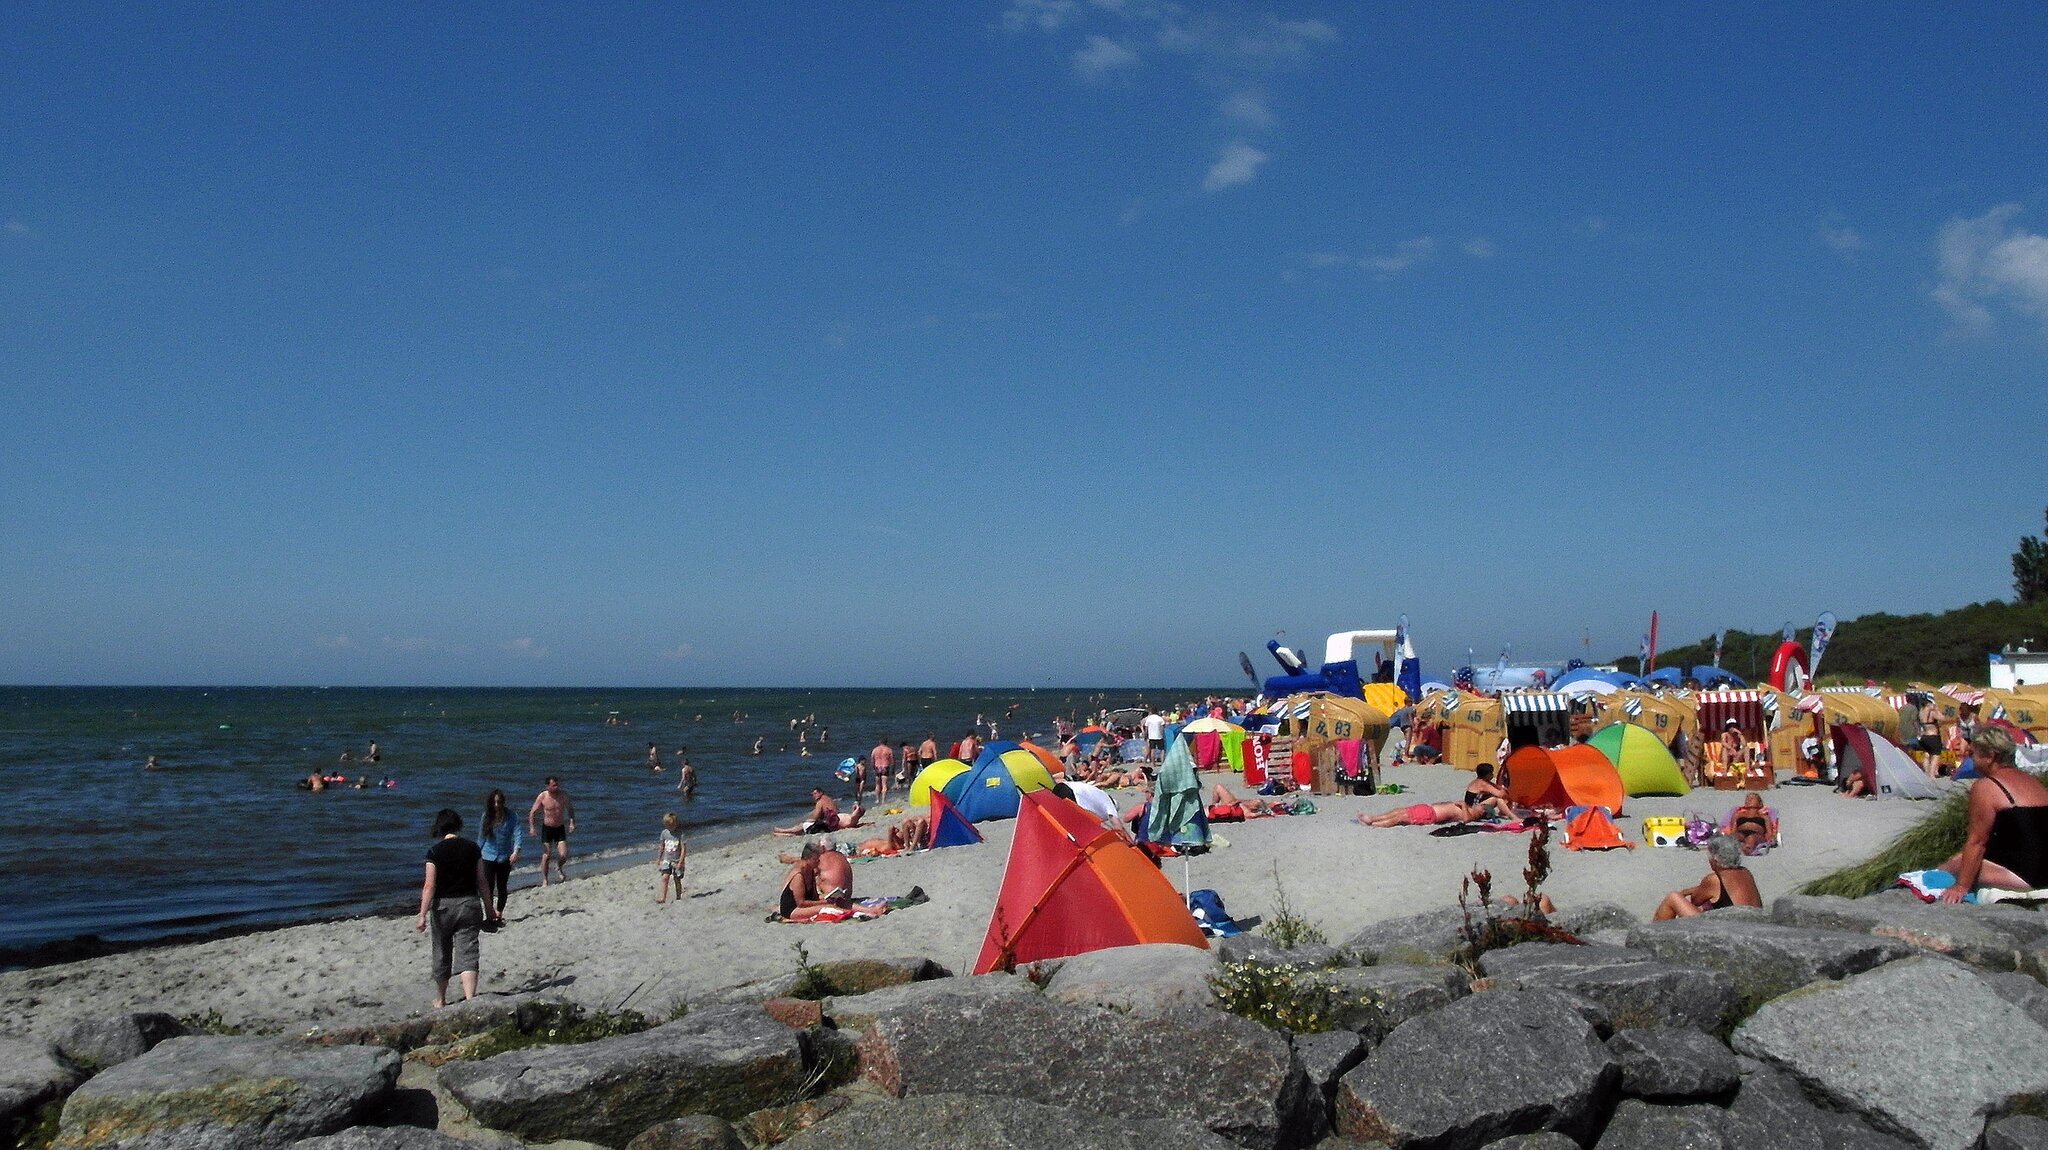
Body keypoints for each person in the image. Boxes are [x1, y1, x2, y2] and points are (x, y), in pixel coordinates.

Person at [1937, 726, 2048, 900]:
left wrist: (1961, 886)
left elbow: (1977, 841)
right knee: (1961, 858)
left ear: (1990, 756)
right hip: (2043, 867)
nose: (1969, 759)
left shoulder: (1987, 787)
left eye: (1973, 754)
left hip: (2028, 875)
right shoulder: (2033, 781)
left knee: (1950, 866)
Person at [416, 808, 489, 1008]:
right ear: (458, 825)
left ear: (439, 828)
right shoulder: (472, 848)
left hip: (443, 907)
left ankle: (441, 998)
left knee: (441, 950)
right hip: (469, 903)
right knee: (468, 951)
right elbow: (482, 881)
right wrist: (490, 910)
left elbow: (429, 885)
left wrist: (422, 914)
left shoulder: (434, 852)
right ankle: (470, 999)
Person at [1653, 834, 1762, 919]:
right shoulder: (1745, 872)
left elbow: (1695, 900)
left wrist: (1685, 893)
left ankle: (1653, 937)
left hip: (1730, 931)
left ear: (1715, 859)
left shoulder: (1714, 879)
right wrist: (1690, 890)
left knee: (1673, 898)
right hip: (1751, 925)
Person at [771, 841, 855, 922]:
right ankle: (851, 914)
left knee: (835, 903)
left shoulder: (810, 871)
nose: (818, 861)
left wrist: (830, 898)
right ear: (808, 858)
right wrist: (824, 902)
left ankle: (850, 912)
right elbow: (801, 903)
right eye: (816, 859)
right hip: (792, 909)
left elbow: (814, 896)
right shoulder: (798, 876)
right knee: (827, 908)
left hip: (802, 906)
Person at [478, 788, 522, 927]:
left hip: (504, 856)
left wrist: (516, 851)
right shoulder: (486, 816)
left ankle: (499, 913)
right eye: (494, 802)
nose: (497, 805)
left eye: (499, 802)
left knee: (502, 886)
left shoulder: (512, 816)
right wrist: (475, 854)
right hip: (487, 856)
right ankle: (490, 915)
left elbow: (518, 834)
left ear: (503, 802)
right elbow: (481, 837)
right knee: (488, 886)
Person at [528, 776, 576, 886]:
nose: (556, 787)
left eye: (557, 785)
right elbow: (532, 812)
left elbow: (570, 809)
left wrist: (572, 822)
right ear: (548, 786)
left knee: (564, 854)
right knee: (547, 855)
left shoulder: (563, 796)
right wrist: (532, 827)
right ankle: (545, 879)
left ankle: (558, 866)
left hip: (559, 828)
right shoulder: (543, 796)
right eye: (554, 785)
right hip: (547, 828)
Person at [1357, 800, 1472, 827]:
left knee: (1400, 817)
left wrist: (1464, 806)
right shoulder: (1471, 806)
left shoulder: (1471, 811)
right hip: (1428, 808)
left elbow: (1466, 820)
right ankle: (1372, 818)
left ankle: (1373, 824)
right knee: (1398, 811)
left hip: (1431, 815)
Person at [655, 812, 688, 903]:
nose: (669, 827)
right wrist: (659, 858)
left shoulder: (680, 834)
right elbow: (661, 846)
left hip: (677, 860)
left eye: (671, 825)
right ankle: (663, 897)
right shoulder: (664, 833)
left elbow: (683, 849)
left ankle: (678, 897)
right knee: (664, 878)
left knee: (677, 879)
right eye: (667, 825)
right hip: (667, 860)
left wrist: (681, 861)